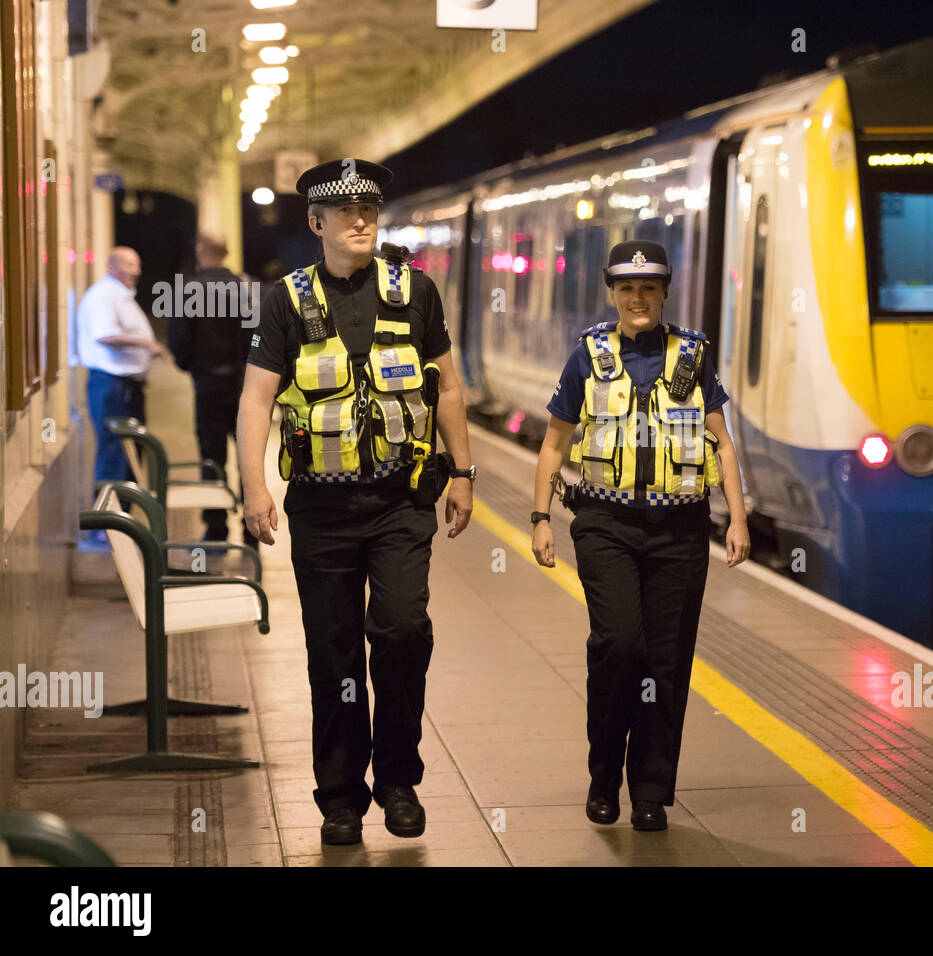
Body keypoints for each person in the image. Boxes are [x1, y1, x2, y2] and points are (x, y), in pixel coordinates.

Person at [235, 159, 476, 847]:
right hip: (320, 507)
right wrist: (255, 487)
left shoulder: (416, 292)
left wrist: (464, 472)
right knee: (333, 654)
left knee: (401, 631)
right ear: (316, 222)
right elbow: (255, 399)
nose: (360, 218)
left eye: (369, 207)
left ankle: (398, 779)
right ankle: (341, 797)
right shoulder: (286, 301)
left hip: (401, 501)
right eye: (344, 210)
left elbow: (448, 387)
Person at [530, 239, 751, 831]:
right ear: (611, 294)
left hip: (680, 530)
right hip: (605, 524)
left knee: (664, 662)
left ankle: (650, 790)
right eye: (627, 288)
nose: (638, 298)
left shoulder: (693, 356)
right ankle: (604, 776)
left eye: (649, 287)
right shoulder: (588, 356)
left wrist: (738, 519)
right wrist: (540, 518)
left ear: (664, 293)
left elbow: (722, 443)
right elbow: (553, 442)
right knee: (619, 644)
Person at [167, 232, 258, 547]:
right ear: (228, 251)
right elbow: (259, 335)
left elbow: (178, 343)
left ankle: (217, 527)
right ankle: (252, 529)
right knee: (248, 455)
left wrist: (193, 367)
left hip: (207, 386)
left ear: (200, 250)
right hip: (244, 387)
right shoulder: (247, 287)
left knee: (211, 458)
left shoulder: (188, 288)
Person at [77, 246, 164, 486]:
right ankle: (106, 523)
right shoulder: (103, 295)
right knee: (114, 454)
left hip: (125, 386)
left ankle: (123, 519)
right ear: (112, 266)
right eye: (129, 265)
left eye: (138, 265)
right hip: (111, 386)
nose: (136, 271)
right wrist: (145, 343)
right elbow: (105, 336)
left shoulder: (121, 296)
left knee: (130, 455)